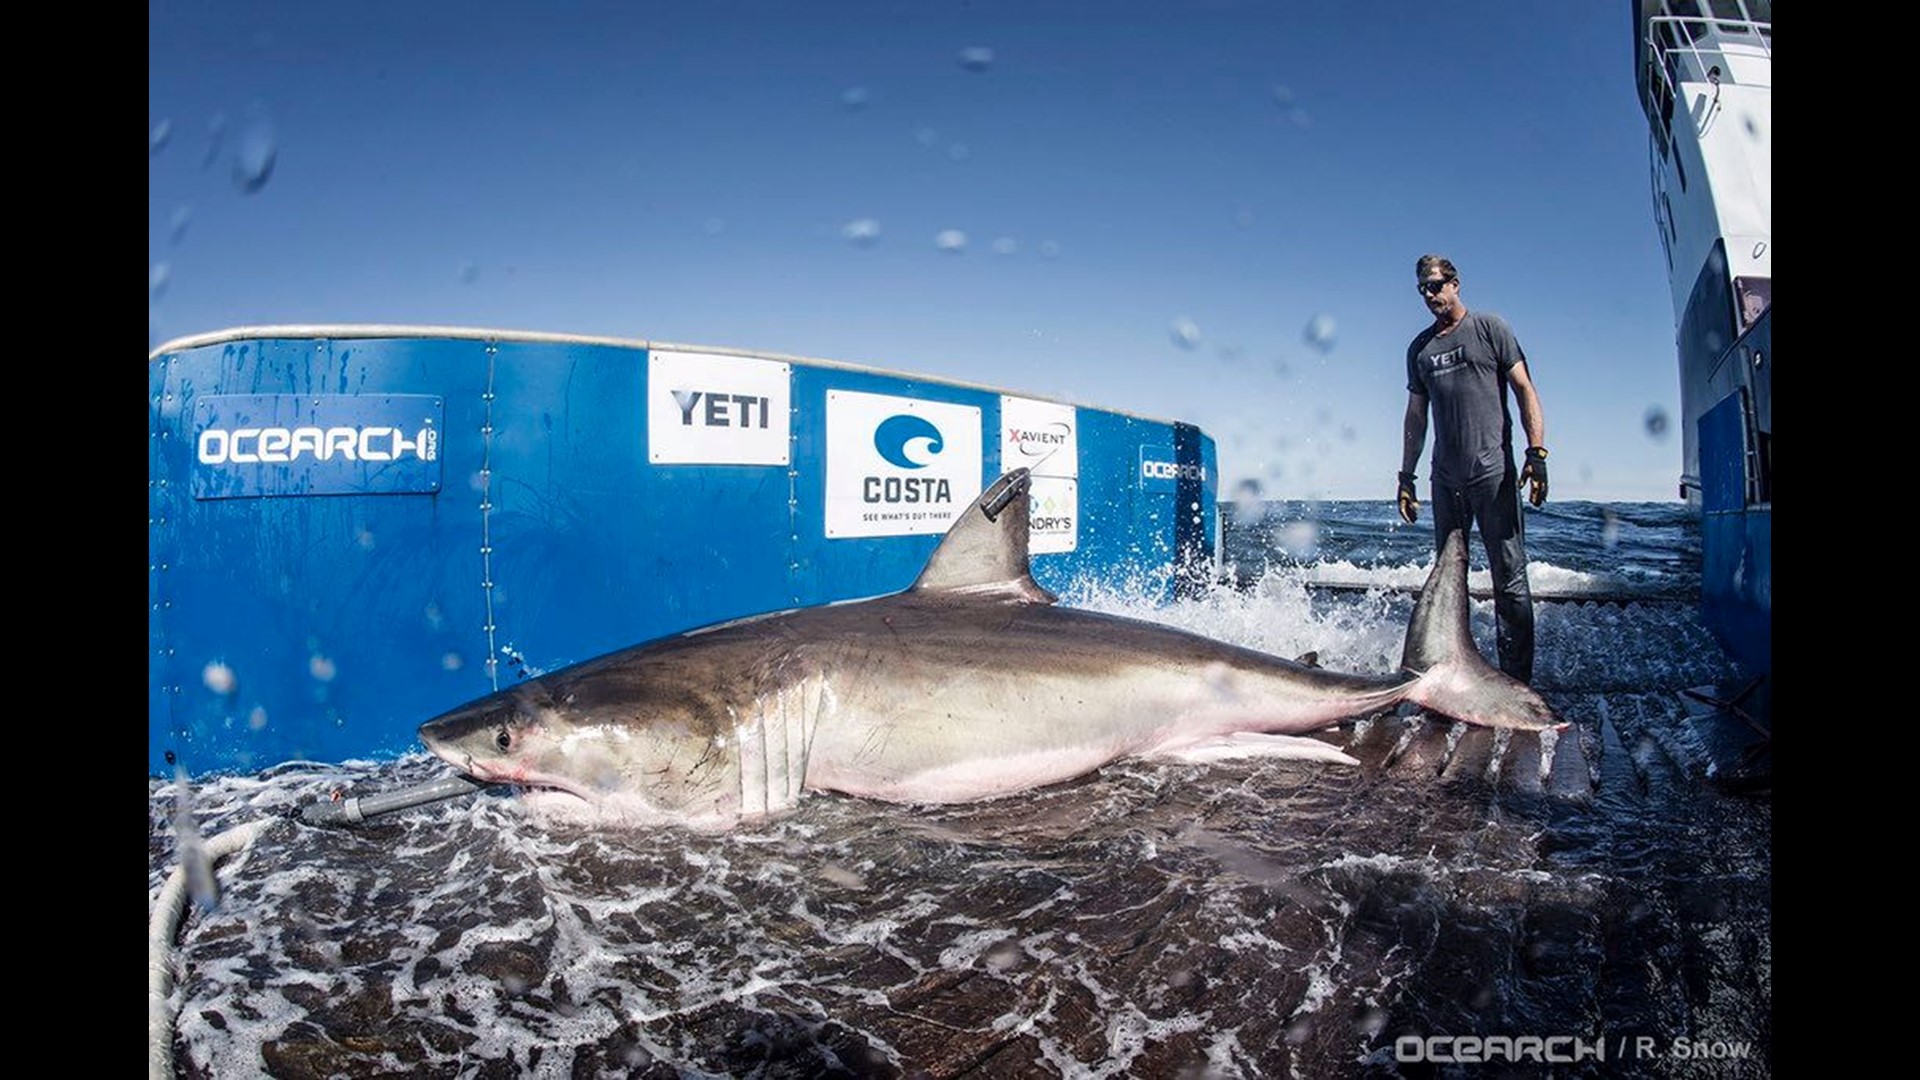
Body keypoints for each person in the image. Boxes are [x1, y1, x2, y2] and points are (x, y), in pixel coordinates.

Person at [1396, 254, 1549, 683]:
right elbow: (1415, 417)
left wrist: (1536, 453)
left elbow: (1525, 389)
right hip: (1446, 479)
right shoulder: (1420, 350)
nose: (1430, 295)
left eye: (1436, 285)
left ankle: (1516, 681)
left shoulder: (1490, 329)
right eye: (1423, 289)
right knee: (1448, 581)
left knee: (1510, 581)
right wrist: (1406, 477)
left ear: (1455, 283)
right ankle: (1455, 674)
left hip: (1493, 473)